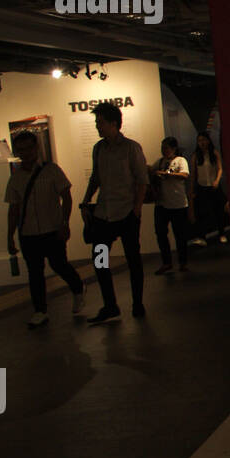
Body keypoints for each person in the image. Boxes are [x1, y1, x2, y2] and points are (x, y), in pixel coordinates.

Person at [5, 130, 86, 327]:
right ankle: (40, 310)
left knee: (59, 265)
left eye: (28, 148)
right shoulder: (15, 178)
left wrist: (65, 223)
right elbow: (13, 208)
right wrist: (10, 236)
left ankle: (78, 288)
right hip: (28, 232)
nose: (25, 153)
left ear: (36, 149)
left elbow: (66, 196)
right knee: (35, 272)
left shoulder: (51, 170)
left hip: (52, 229)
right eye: (21, 149)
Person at [80, 102, 148, 323]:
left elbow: (141, 180)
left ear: (113, 123)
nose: (97, 126)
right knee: (100, 260)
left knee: (133, 259)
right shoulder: (98, 148)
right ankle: (110, 305)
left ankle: (137, 303)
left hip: (126, 213)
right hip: (103, 214)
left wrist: (136, 209)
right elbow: (95, 178)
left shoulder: (131, 147)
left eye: (100, 122)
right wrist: (85, 200)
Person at [150, 137, 191, 275]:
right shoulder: (160, 162)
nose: (163, 150)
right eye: (162, 147)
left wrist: (168, 175)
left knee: (180, 235)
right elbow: (151, 170)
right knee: (161, 233)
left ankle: (183, 262)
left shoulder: (180, 160)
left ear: (173, 148)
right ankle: (167, 262)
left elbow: (185, 175)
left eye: (166, 147)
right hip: (162, 204)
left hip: (178, 204)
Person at [189, 131, 227, 246]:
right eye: (199, 141)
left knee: (219, 210)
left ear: (208, 141)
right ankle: (202, 237)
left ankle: (222, 233)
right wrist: (192, 189)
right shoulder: (196, 156)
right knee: (202, 212)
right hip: (202, 186)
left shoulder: (214, 153)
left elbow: (220, 168)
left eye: (204, 140)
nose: (202, 143)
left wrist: (217, 180)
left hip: (214, 186)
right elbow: (194, 174)